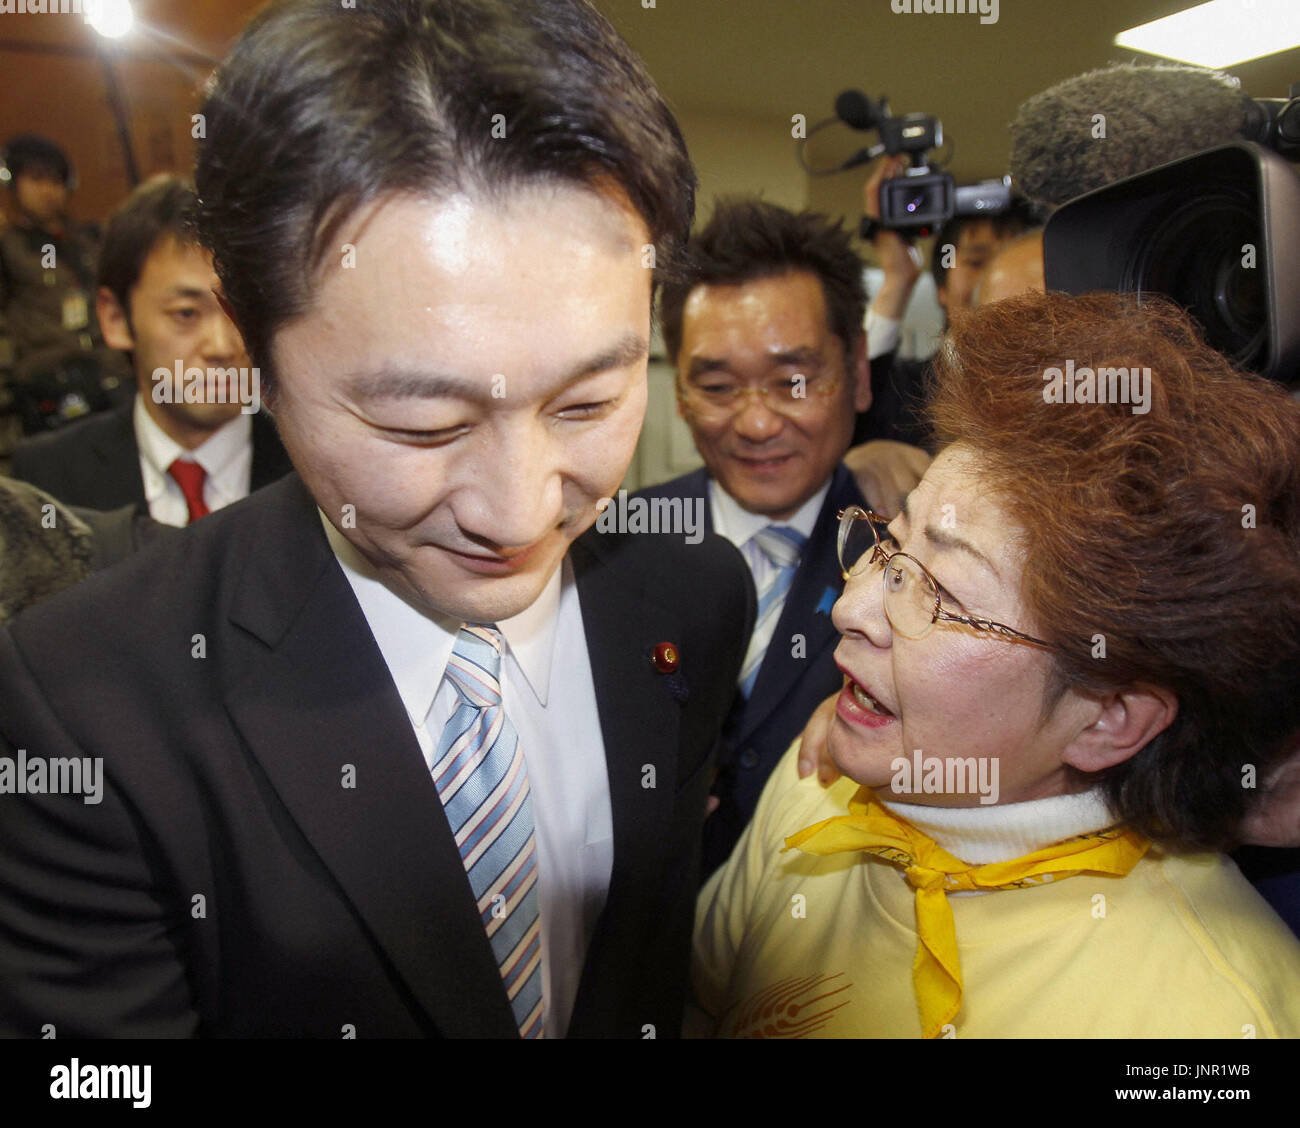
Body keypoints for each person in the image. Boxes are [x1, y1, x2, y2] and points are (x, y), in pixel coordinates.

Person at [0, 0, 751, 1039]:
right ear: (252, 345)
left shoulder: (689, 598)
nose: (521, 510)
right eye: (423, 421)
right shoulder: (90, 704)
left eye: (586, 403)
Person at [693, 290, 1300, 1037]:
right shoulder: (818, 783)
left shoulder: (1215, 1017)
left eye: (941, 594)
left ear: (1110, 717)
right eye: (888, 546)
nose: (850, 611)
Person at [642, 199, 873, 877]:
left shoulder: (921, 566)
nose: (755, 423)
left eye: (792, 382)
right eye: (717, 386)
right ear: (680, 393)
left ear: (857, 373)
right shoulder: (604, 554)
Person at [9, 176, 291, 524]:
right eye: (186, 314)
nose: (223, 346)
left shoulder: (310, 466)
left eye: (239, 312)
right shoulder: (50, 478)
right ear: (115, 318)